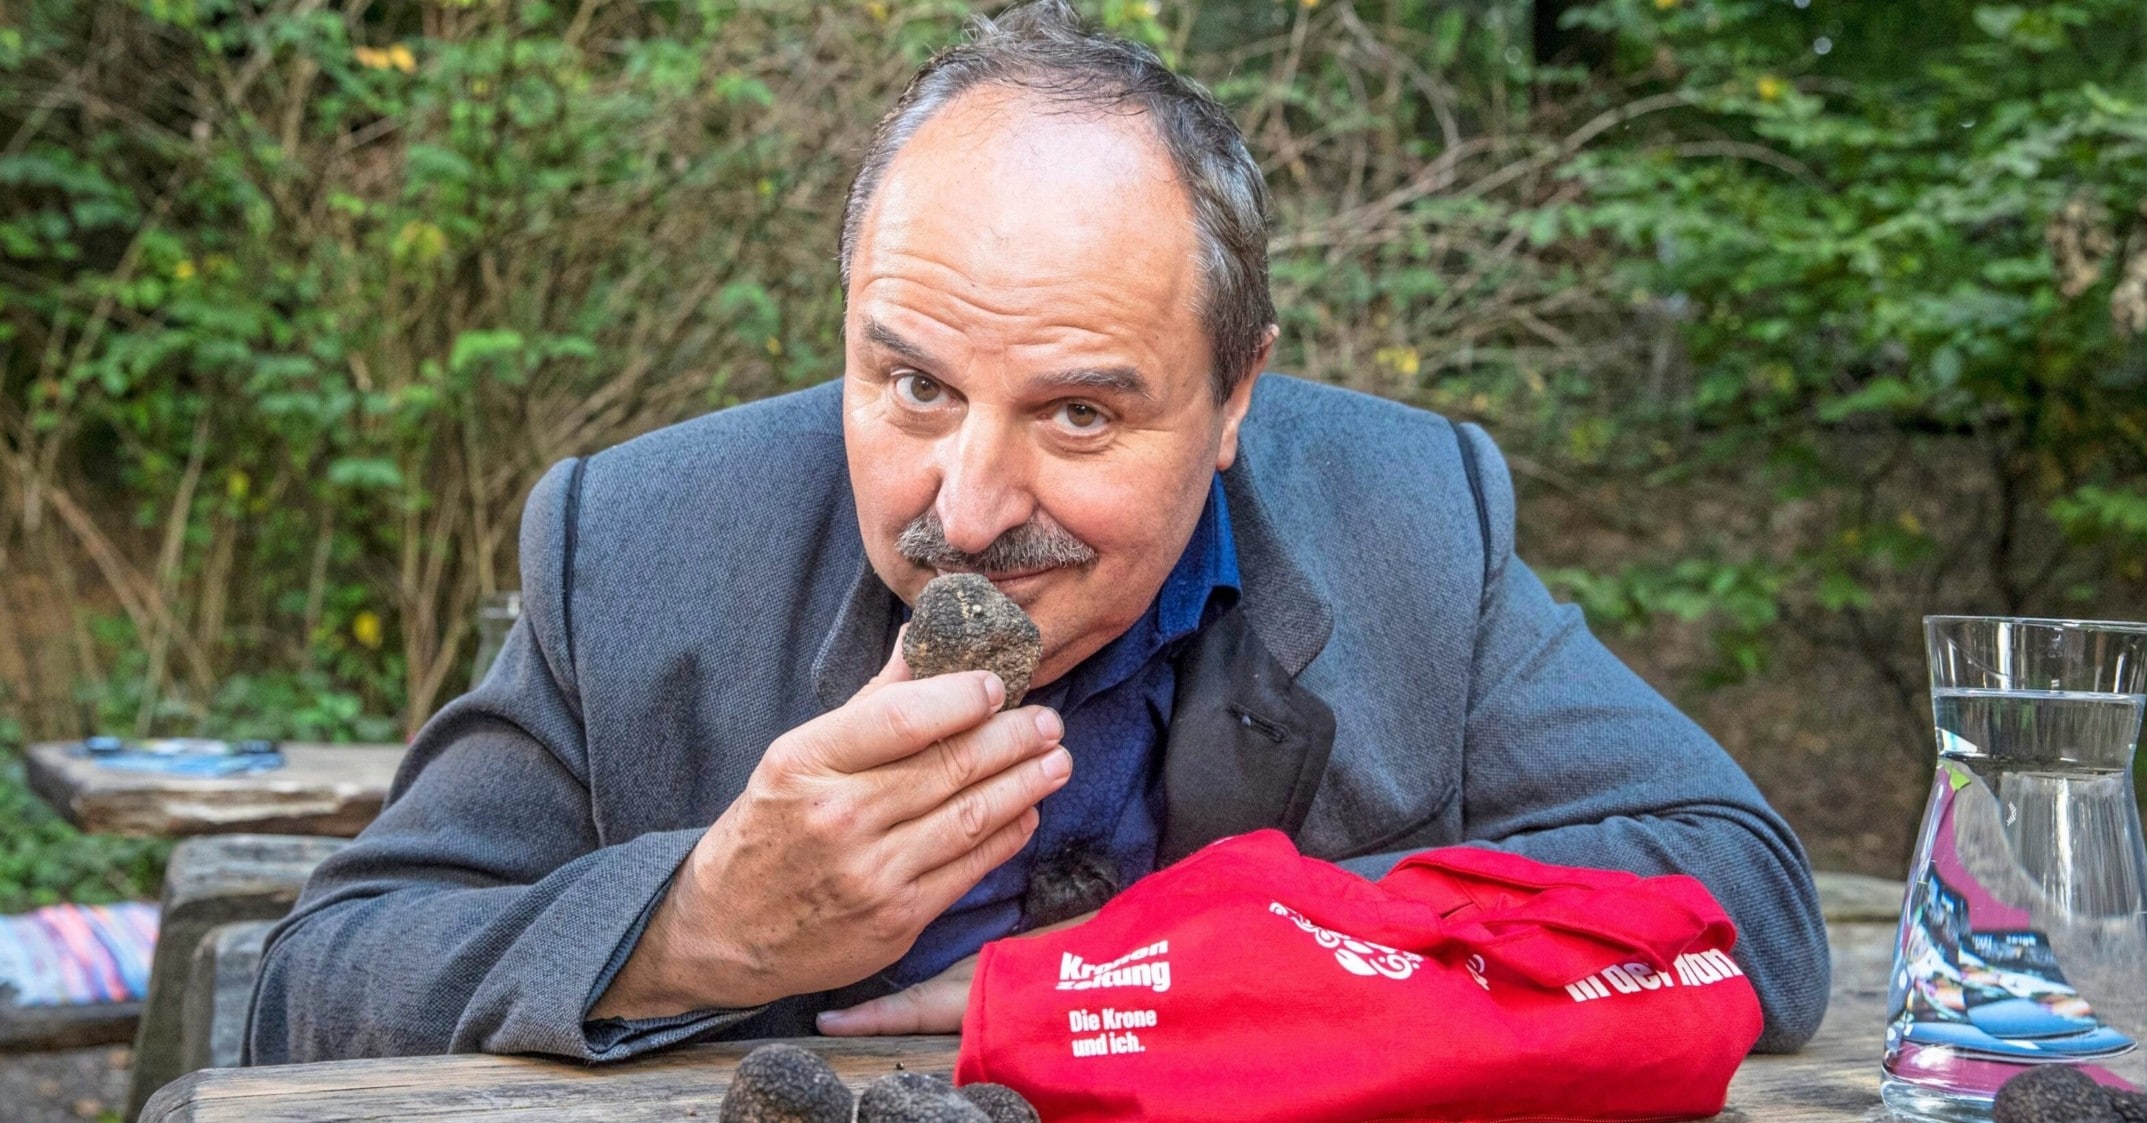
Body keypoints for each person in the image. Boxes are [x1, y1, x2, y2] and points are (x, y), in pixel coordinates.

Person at [246, 0, 1830, 1066]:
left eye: (1080, 413)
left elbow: (1740, 902)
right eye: (913, 383)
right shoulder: (637, 544)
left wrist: (1201, 965)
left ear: (1232, 401)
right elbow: (311, 992)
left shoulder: (1412, 518)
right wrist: (693, 929)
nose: (966, 508)